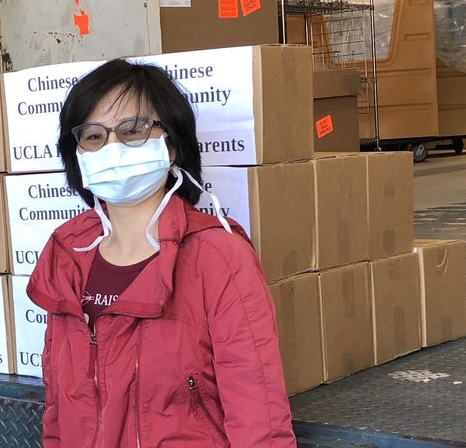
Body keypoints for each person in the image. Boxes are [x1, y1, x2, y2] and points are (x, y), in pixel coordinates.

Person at [27, 60, 295, 446]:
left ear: (171, 146)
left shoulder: (217, 256)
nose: (112, 147)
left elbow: (259, 416)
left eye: (133, 131)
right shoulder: (67, 252)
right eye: (93, 136)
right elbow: (58, 407)